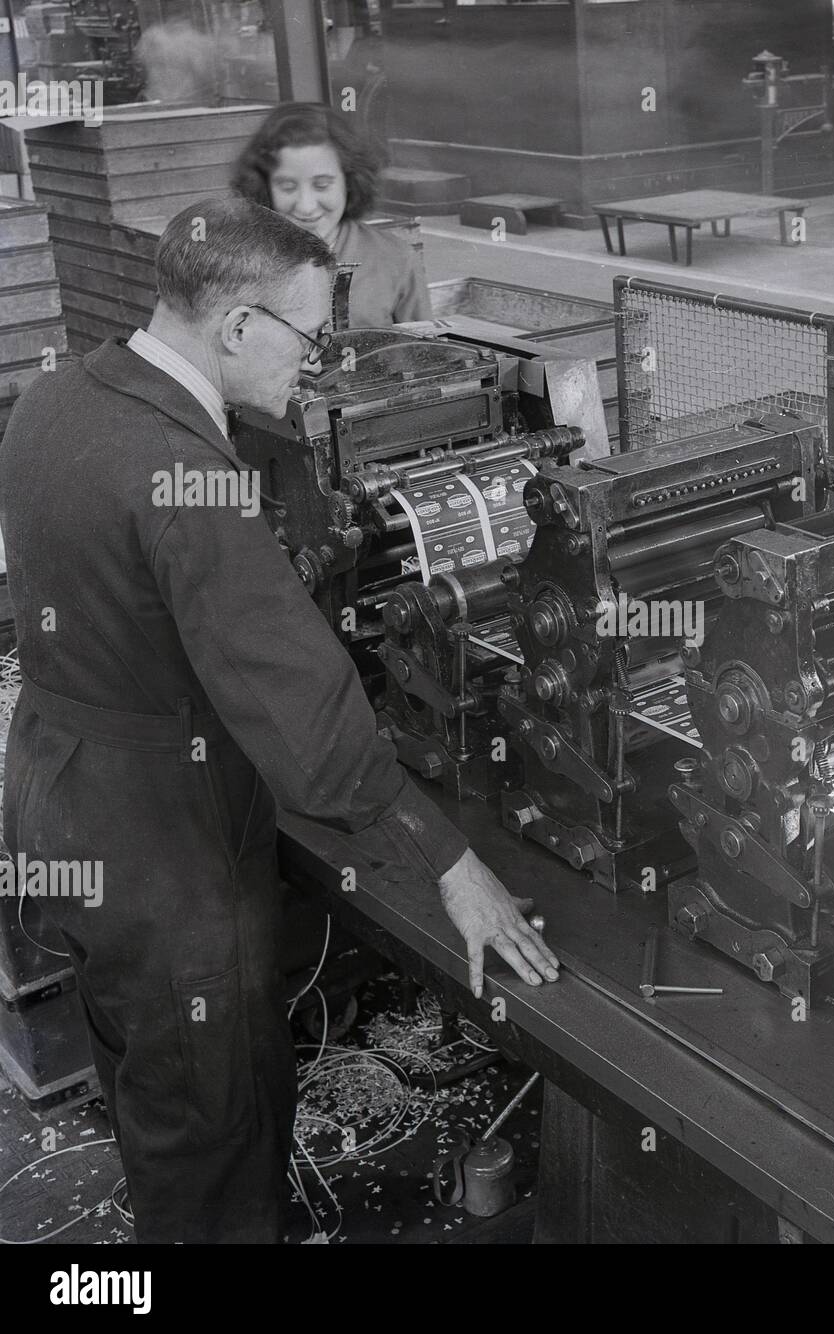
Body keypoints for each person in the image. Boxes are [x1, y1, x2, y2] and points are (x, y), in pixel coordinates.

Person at [0, 197, 558, 1244]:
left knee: (147, 1086)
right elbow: (305, 719)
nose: (318, 359)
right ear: (239, 326)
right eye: (310, 335)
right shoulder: (189, 479)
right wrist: (447, 860)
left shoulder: (53, 396)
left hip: (55, 807)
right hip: (163, 851)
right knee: (218, 1125)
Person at [232, 101, 434, 329]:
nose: (306, 207)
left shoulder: (397, 259)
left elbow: (426, 352)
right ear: (265, 186)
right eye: (287, 187)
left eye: (322, 185)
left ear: (349, 181)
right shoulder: (239, 263)